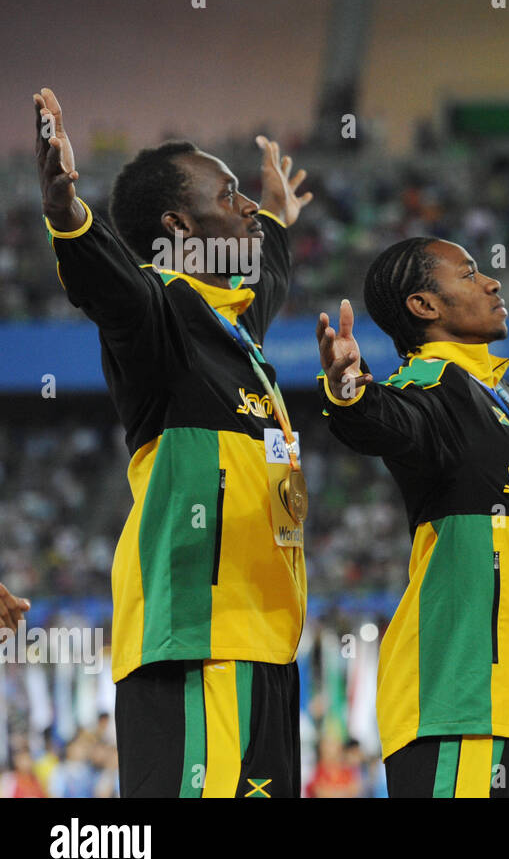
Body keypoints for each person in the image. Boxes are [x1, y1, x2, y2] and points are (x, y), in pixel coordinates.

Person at [34, 87, 313, 798]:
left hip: (264, 654)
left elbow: (268, 280)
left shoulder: (235, 334)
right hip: (196, 647)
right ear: (179, 225)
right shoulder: (159, 316)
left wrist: (277, 217)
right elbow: (113, 291)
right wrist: (69, 214)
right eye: (230, 194)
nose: (244, 203)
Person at [316, 237, 509, 797]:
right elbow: (388, 421)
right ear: (425, 306)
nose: (491, 282)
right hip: (462, 707)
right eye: (469, 275)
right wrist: (349, 390)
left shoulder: (489, 396)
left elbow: (479, 452)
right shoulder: (429, 386)